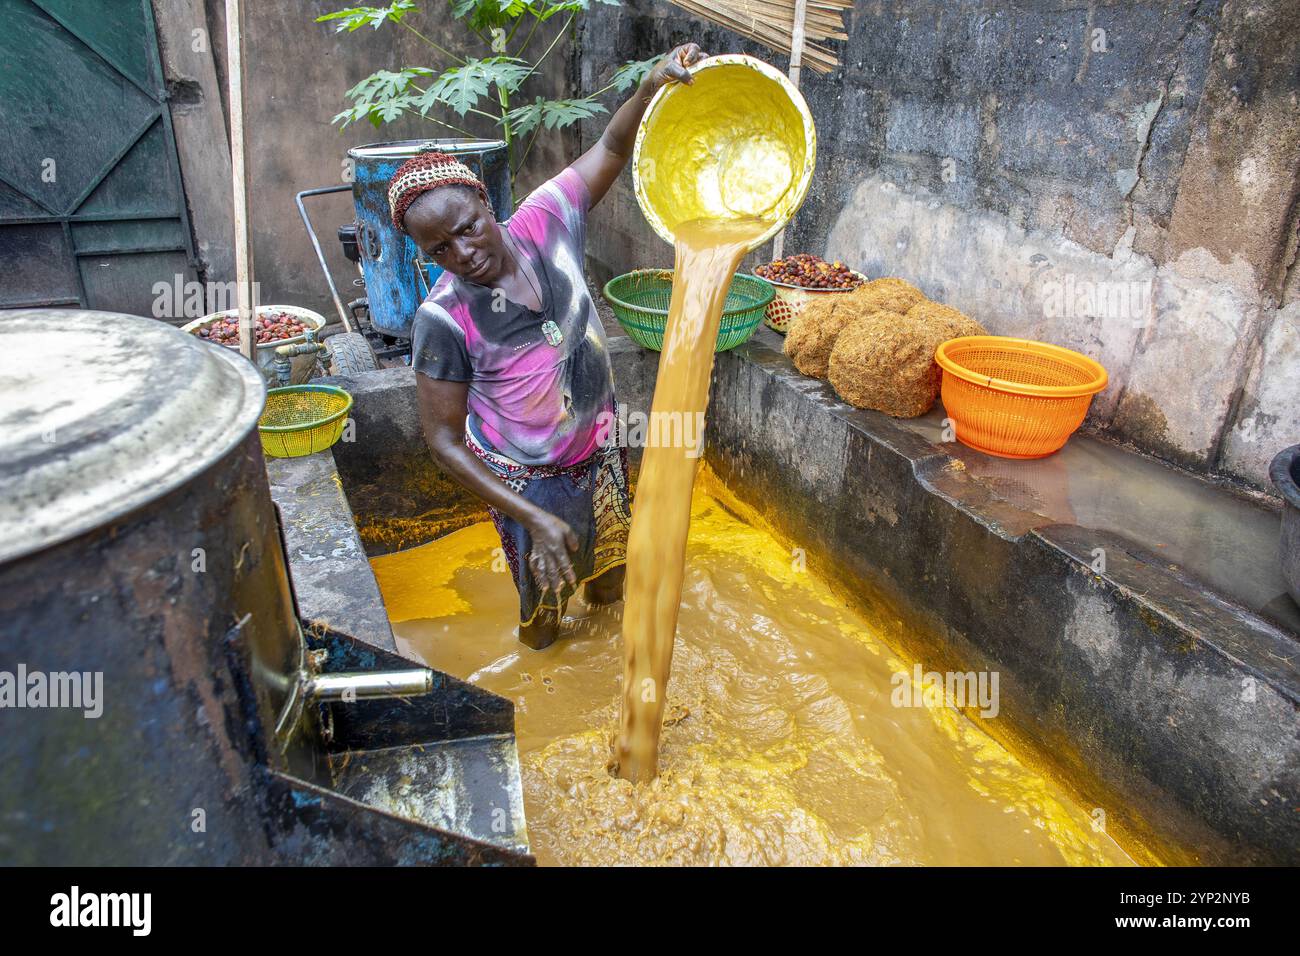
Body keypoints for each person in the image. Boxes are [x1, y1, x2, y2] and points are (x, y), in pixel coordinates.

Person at [391, 43, 708, 650]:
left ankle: (604, 670)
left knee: (612, 583)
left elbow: (612, 149)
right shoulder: (445, 319)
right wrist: (532, 516)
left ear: (488, 202)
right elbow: (441, 441)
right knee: (545, 621)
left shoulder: (547, 219)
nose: (464, 253)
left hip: (601, 452)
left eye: (468, 228)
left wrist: (648, 87)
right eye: (441, 250)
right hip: (531, 484)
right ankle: (547, 686)